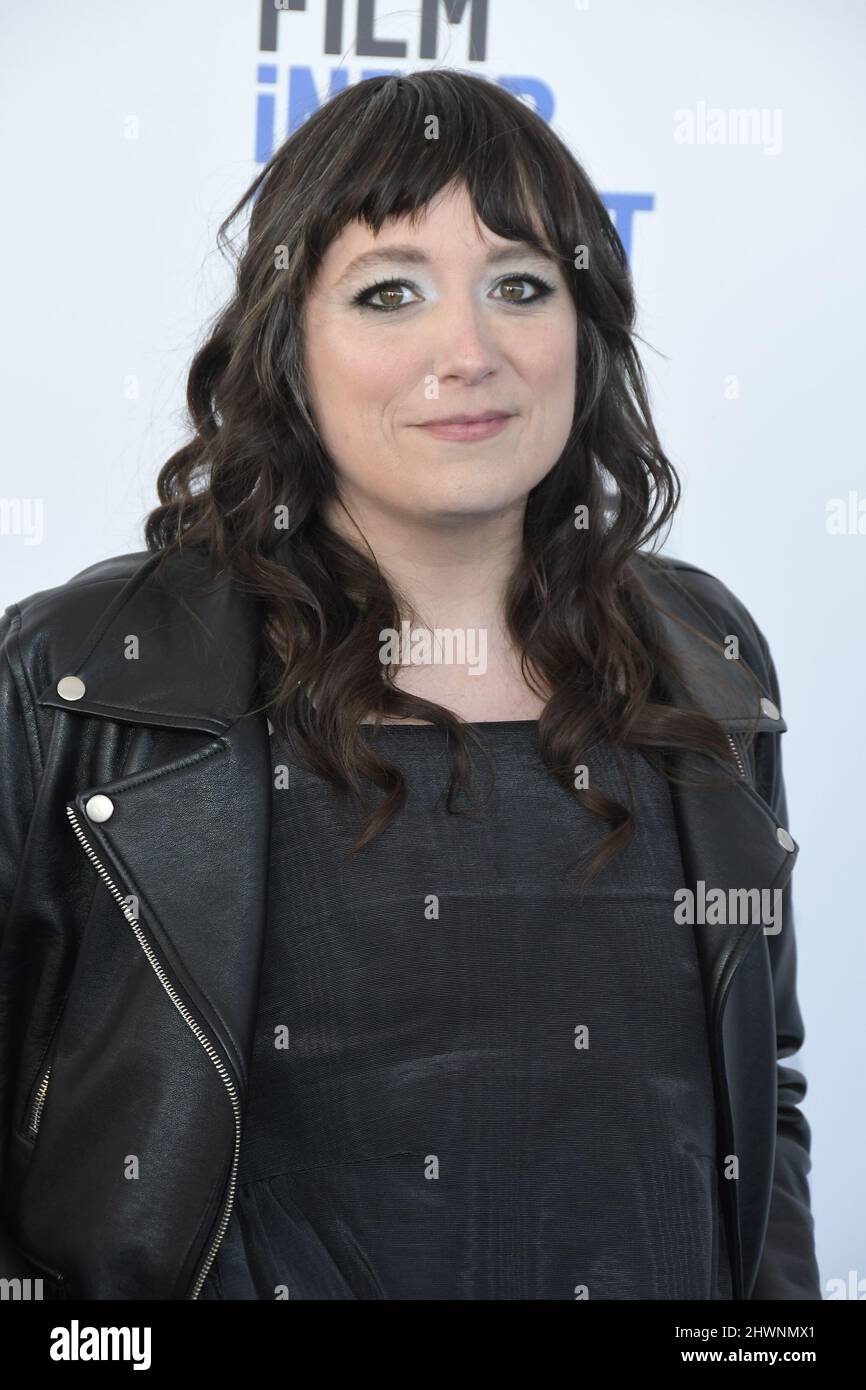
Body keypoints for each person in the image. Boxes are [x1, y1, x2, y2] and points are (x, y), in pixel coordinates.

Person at [0, 70, 819, 1300]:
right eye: (390, 292)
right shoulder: (81, 676)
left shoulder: (703, 653)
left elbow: (767, 1099)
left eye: (520, 287)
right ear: (288, 343)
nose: (468, 351)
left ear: (583, 330)